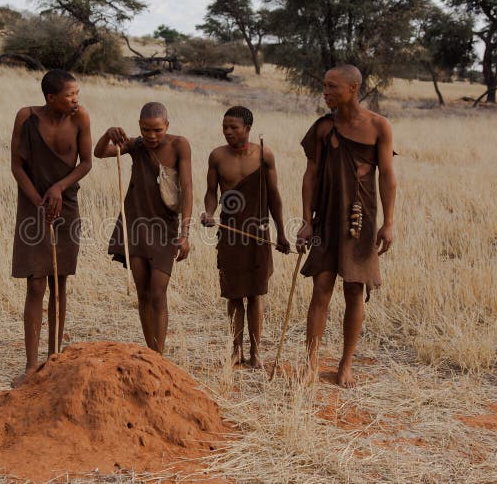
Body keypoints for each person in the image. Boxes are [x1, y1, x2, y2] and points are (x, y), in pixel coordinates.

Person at [297, 64, 396, 388]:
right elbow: (310, 175)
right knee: (321, 289)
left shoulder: (379, 127)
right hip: (326, 218)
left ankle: (345, 365)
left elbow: (387, 177)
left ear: (352, 89)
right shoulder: (324, 128)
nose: (325, 92)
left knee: (354, 291)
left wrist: (389, 223)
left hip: (360, 221)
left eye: (332, 87)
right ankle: (311, 365)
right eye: (324, 86)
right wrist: (307, 221)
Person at [10, 69, 92, 386]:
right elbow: (16, 165)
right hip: (34, 205)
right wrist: (38, 201)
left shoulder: (80, 117)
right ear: (51, 98)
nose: (76, 100)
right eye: (70, 95)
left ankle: (54, 356)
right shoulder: (26, 117)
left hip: (66, 203)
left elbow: (86, 163)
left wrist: (58, 188)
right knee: (35, 282)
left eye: (77, 94)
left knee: (59, 281)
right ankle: (31, 365)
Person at [94, 102, 193, 354]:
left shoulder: (179, 145)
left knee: (158, 292)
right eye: (146, 130)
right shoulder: (136, 145)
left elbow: (188, 189)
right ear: (139, 126)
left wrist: (185, 234)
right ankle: (150, 352)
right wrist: (108, 133)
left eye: (157, 130)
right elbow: (99, 153)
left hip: (165, 227)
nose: (151, 136)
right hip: (136, 224)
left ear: (167, 126)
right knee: (143, 293)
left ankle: (158, 356)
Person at [201, 106, 290, 368]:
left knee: (255, 295)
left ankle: (257, 351)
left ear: (247, 129)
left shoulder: (264, 154)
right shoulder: (217, 156)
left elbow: (274, 195)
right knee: (233, 295)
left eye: (234, 127)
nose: (228, 132)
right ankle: (236, 350)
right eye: (225, 127)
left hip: (258, 233)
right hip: (230, 232)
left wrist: (282, 232)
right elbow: (211, 191)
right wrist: (208, 212)